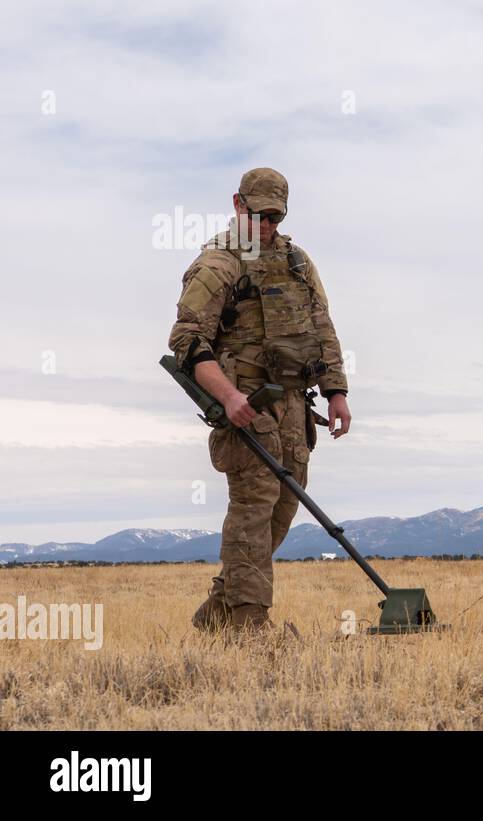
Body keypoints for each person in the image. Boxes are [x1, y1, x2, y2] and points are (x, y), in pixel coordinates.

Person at [167, 167, 351, 634]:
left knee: (282, 511)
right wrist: (228, 398)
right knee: (253, 509)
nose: (266, 225)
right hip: (248, 408)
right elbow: (188, 342)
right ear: (237, 204)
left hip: (294, 410)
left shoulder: (297, 262)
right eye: (259, 215)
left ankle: (217, 614)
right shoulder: (218, 264)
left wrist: (337, 393)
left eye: (275, 216)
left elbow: (322, 328)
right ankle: (250, 625)